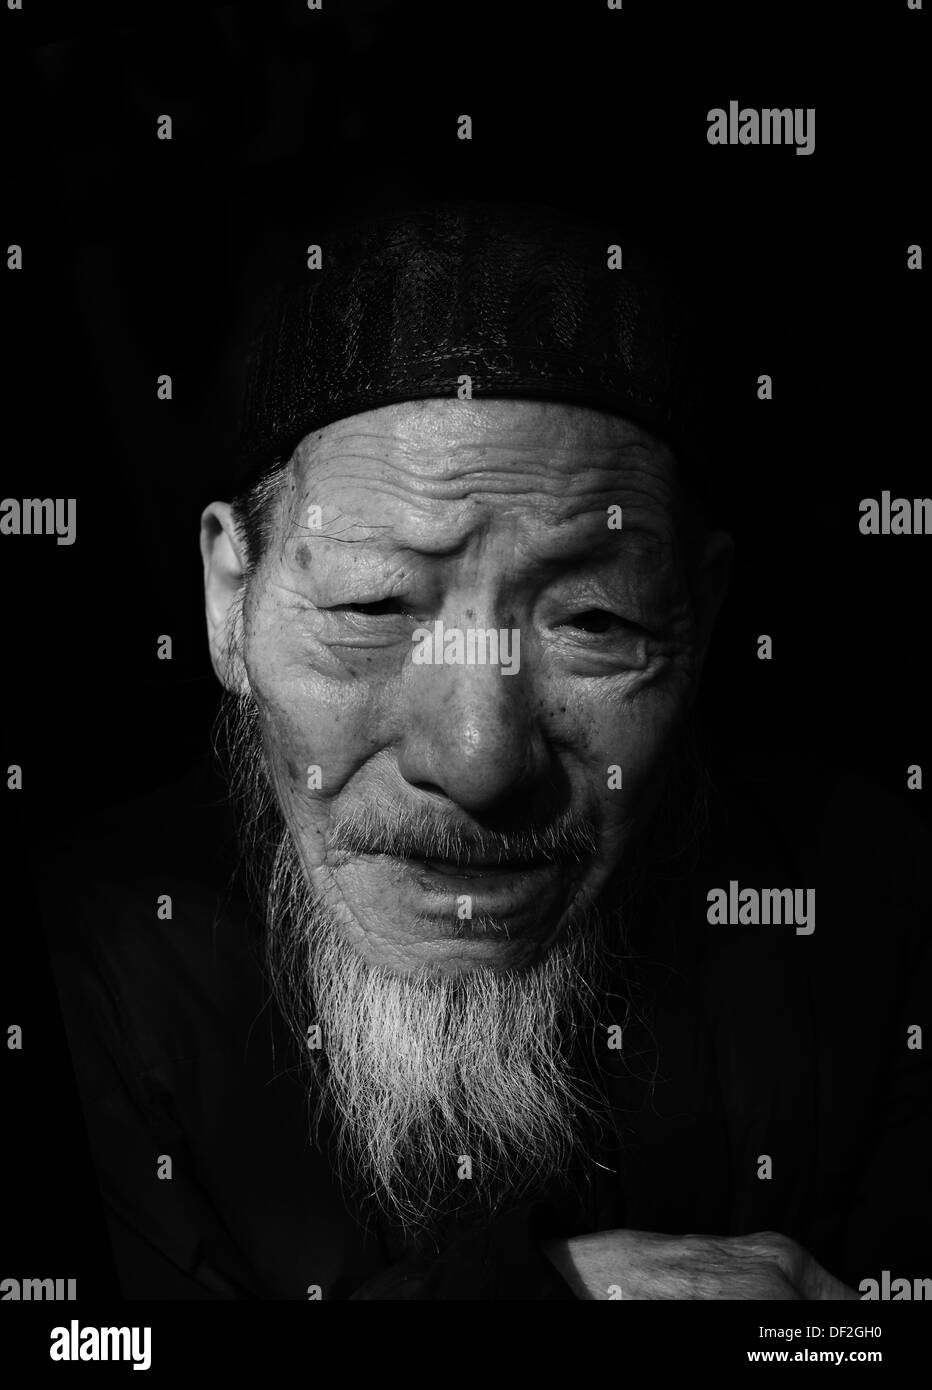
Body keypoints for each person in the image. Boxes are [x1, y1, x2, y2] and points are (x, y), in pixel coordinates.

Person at [39, 203, 931, 1300]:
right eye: (371, 605)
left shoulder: (875, 911)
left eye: (592, 622)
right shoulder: (75, 965)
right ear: (231, 601)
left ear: (701, 618)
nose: (476, 759)